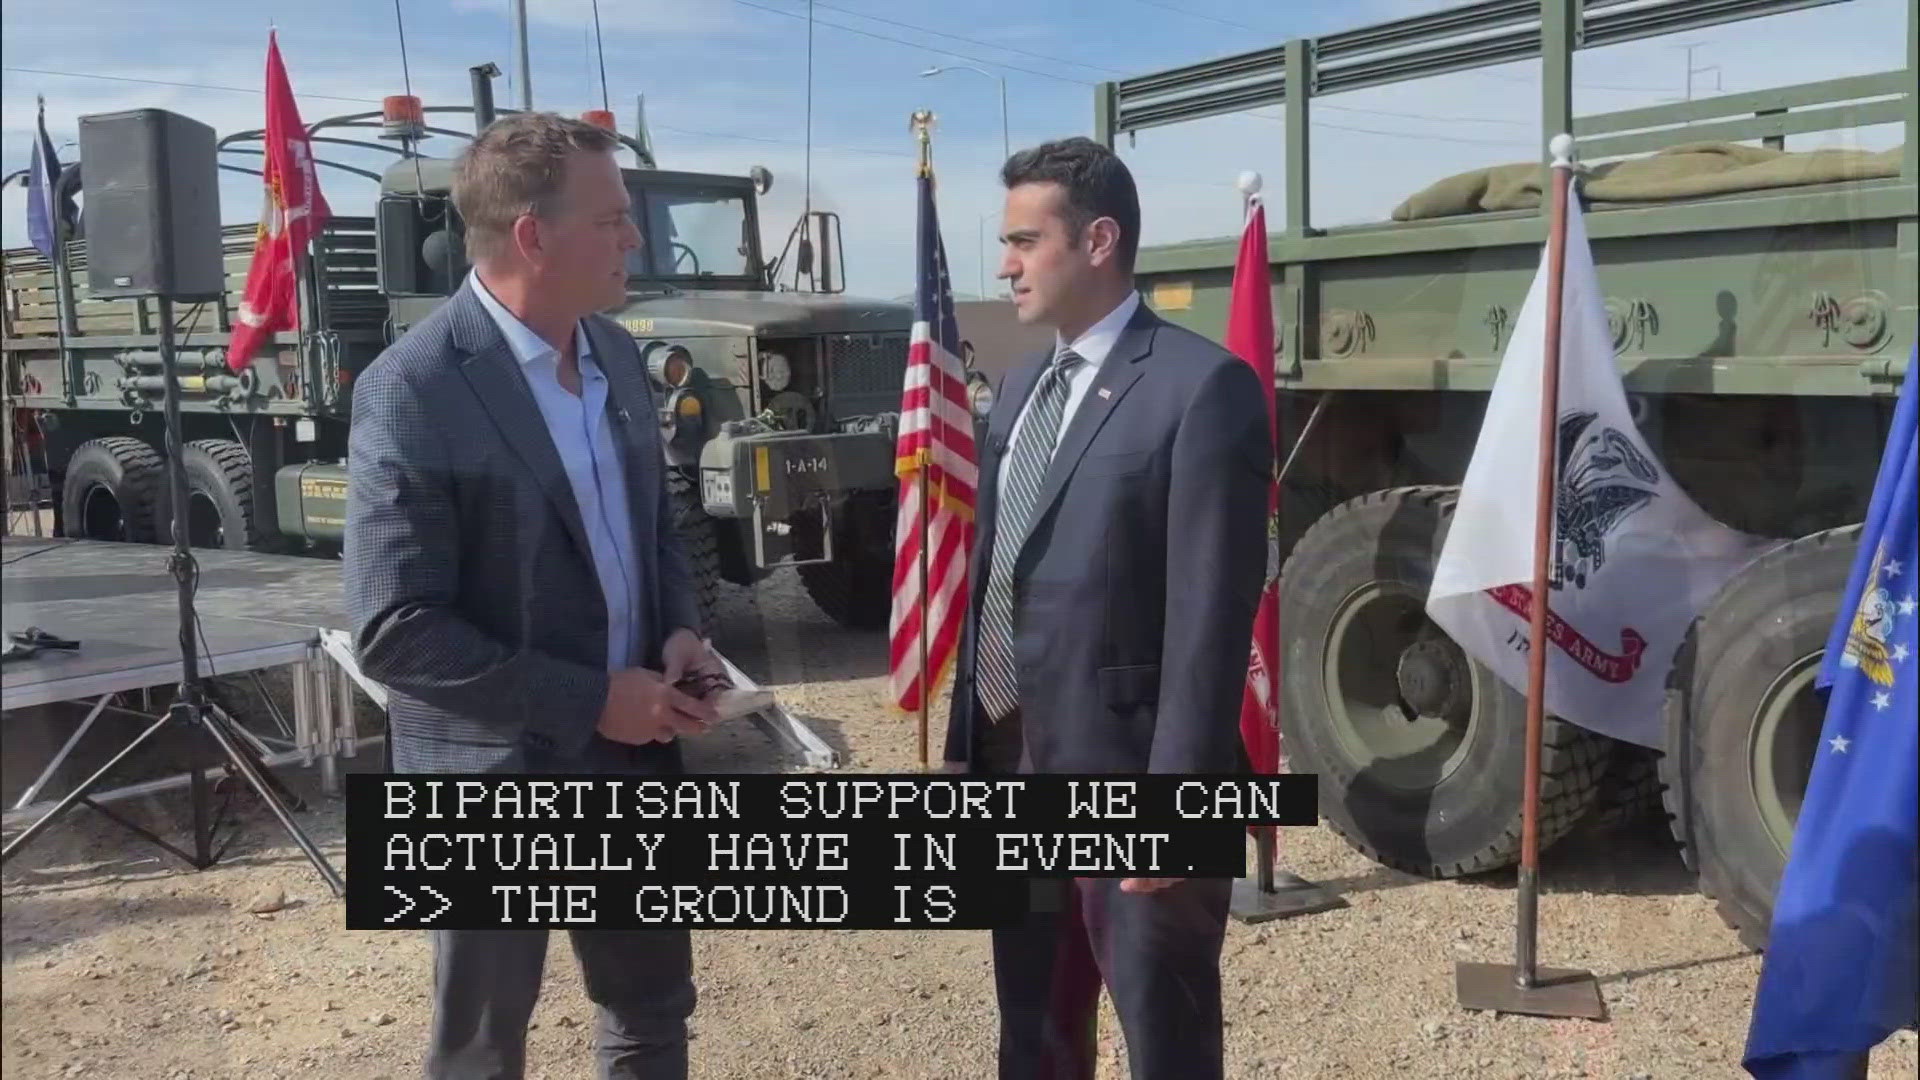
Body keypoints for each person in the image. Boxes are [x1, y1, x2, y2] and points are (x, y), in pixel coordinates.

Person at [343, 111, 721, 1080]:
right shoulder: (414, 388)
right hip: (490, 772)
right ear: (532, 236)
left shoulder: (617, 357)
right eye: (612, 219)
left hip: (635, 761)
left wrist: (678, 629)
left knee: (650, 1009)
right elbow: (394, 630)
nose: (634, 239)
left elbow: (656, 525)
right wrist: (591, 698)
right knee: (481, 1045)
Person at [943, 137, 1271, 1080]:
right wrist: (970, 751)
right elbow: (998, 577)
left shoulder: (1200, 388)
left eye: (1023, 241)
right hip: (1017, 765)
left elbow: (1211, 615)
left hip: (1133, 775)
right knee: (1035, 1033)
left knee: (1166, 1044)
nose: (1005, 266)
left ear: (1097, 241)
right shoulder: (1018, 388)